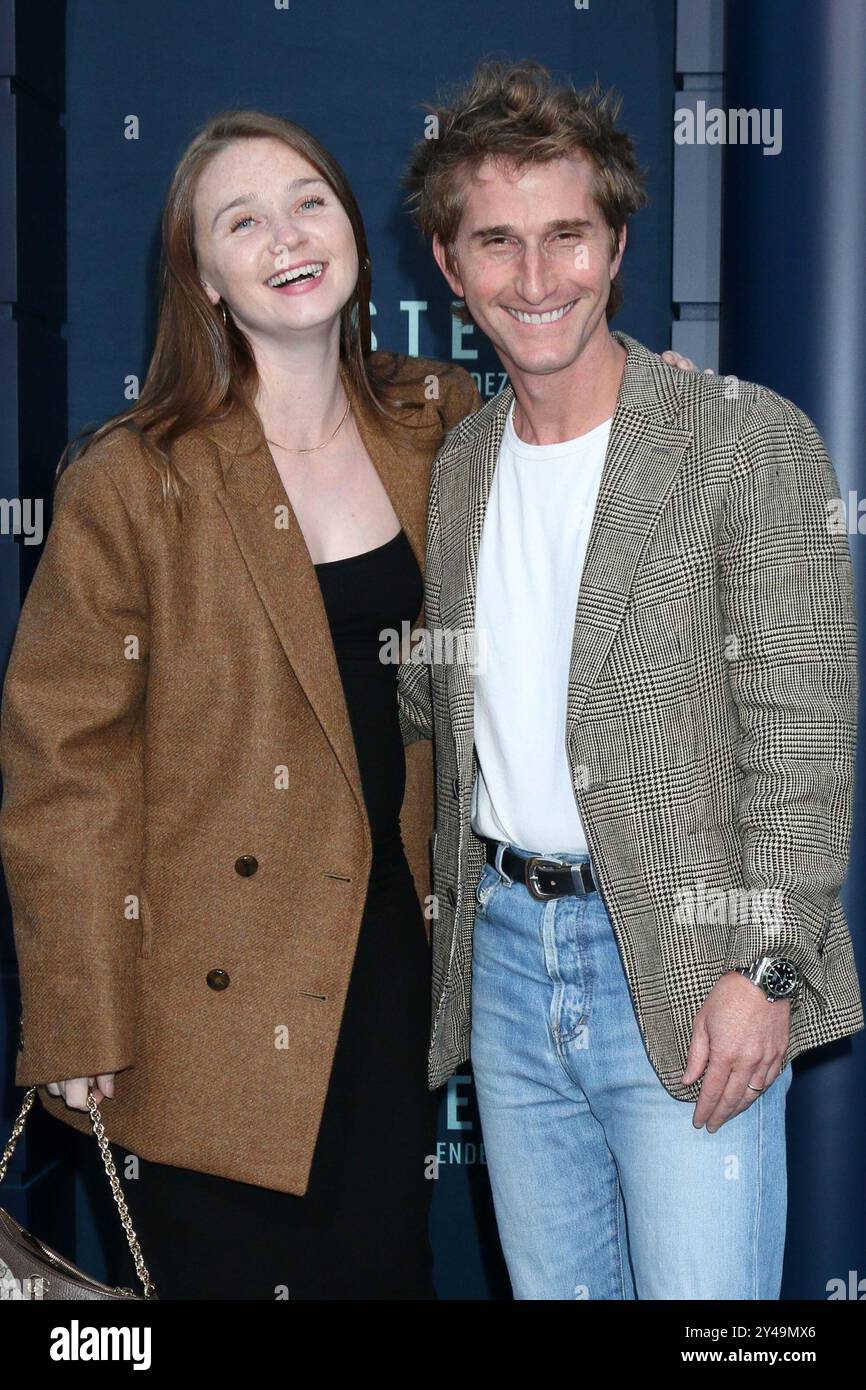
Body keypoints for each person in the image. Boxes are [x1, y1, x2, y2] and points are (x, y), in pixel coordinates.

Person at [398, 60, 864, 1299]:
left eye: (566, 237)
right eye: (495, 243)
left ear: (614, 245)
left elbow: (802, 743)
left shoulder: (742, 441)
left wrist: (762, 969)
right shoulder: (457, 472)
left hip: (677, 957)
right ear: (449, 267)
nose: (535, 279)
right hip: (502, 957)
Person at [0, 108, 480, 1300]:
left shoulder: (445, 422)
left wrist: (658, 405)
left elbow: (585, 465)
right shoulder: (132, 476)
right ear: (203, 278)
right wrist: (76, 1015)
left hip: (386, 974)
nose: (285, 236)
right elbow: (66, 760)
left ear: (354, 232)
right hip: (196, 993)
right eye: (241, 220)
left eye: (308, 200)